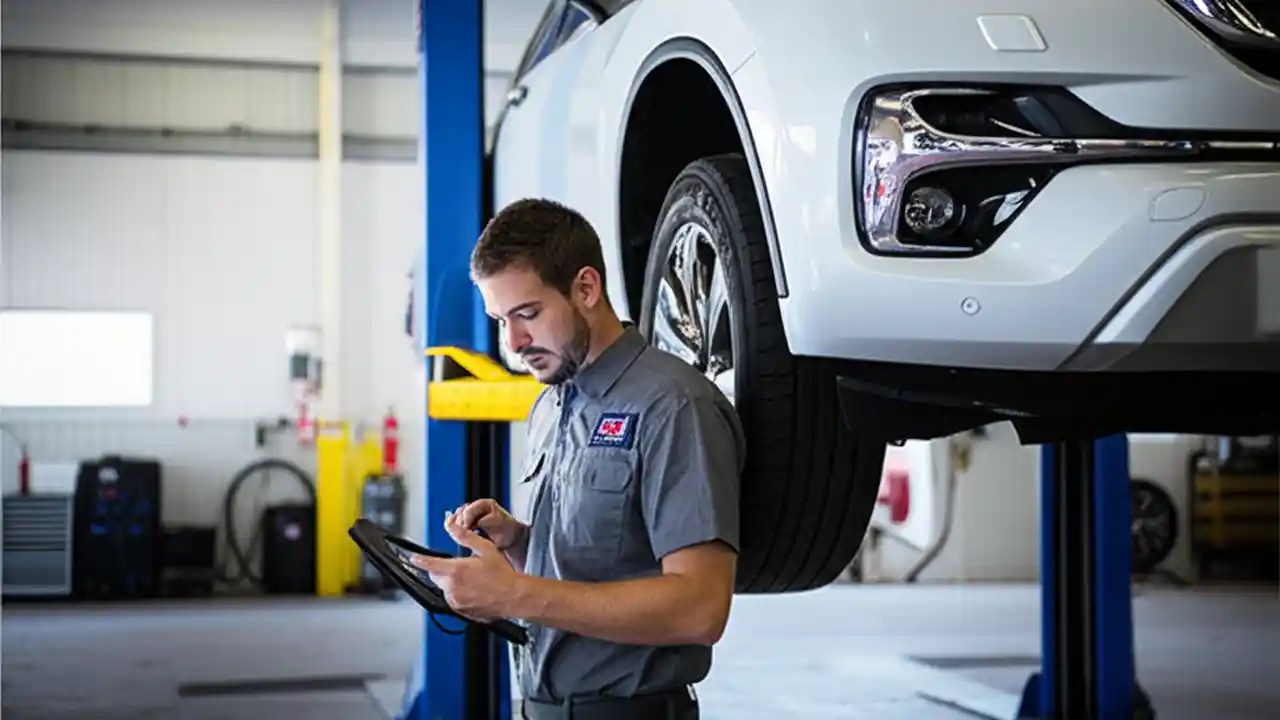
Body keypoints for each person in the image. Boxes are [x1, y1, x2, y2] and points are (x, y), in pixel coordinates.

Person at [412, 197, 745, 720]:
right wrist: (521, 543)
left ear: (586, 289)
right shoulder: (551, 405)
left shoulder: (674, 406)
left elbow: (700, 609)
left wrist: (516, 595)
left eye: (527, 314)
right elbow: (600, 564)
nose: (514, 342)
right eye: (501, 320)